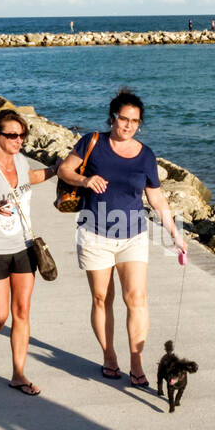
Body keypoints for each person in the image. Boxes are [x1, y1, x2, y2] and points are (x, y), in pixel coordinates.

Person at [57, 89, 187, 387]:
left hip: (133, 235)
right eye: (123, 119)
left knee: (136, 298)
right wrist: (85, 179)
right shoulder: (92, 143)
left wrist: (175, 234)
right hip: (94, 233)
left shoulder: (146, 155)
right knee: (102, 298)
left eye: (134, 121)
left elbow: (157, 199)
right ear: (112, 117)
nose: (128, 125)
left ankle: (136, 362)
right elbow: (64, 170)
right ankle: (109, 356)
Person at [0, 110, 58, 395]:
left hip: (24, 248)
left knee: (22, 312)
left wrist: (58, 169)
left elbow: (31, 178)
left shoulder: (20, 160)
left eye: (23, 136)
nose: (19, 141)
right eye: (13, 135)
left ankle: (18, 374)